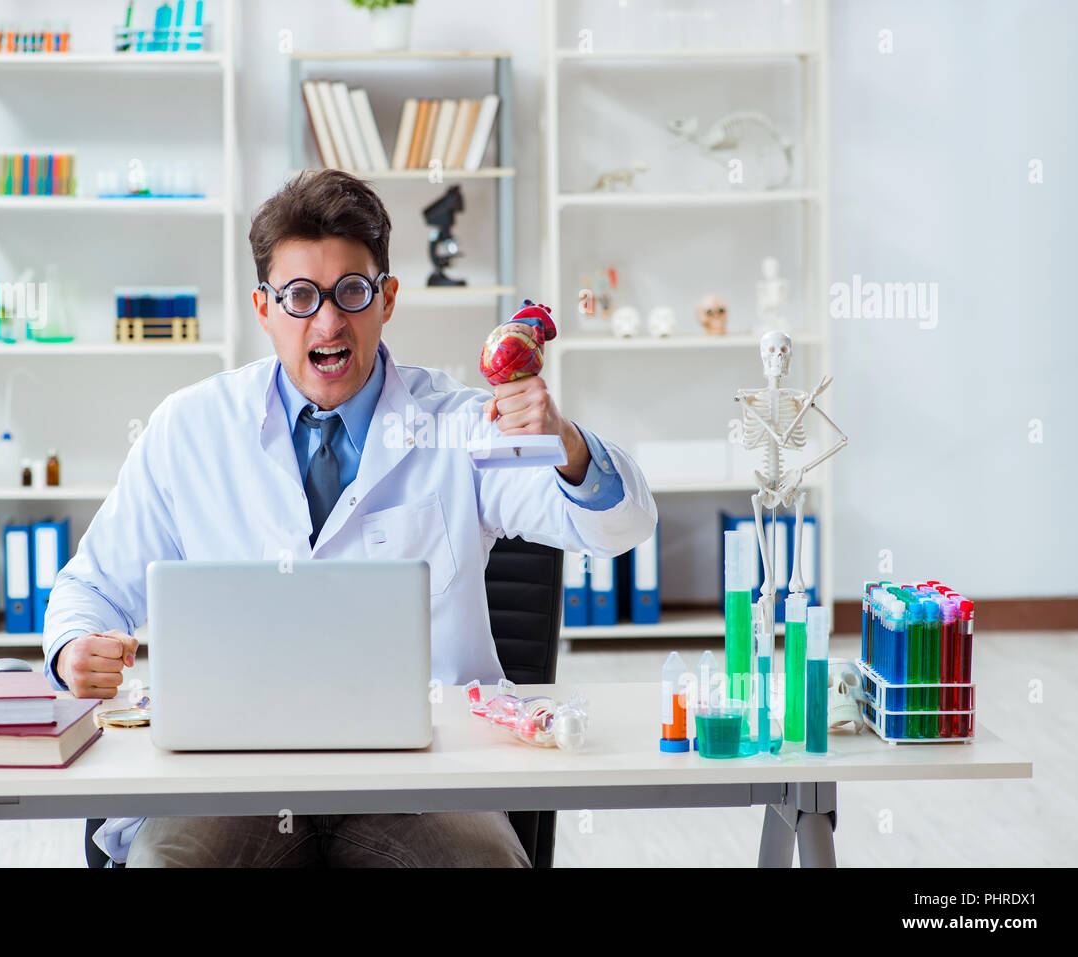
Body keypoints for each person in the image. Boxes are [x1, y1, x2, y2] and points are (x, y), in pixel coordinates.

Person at [42, 169, 657, 867]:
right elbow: (86, 588)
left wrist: (565, 443)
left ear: (387, 298)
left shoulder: (462, 426)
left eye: (352, 292)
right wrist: (73, 650)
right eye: (300, 296)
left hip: (425, 779)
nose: (328, 321)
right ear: (263, 306)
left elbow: (621, 525)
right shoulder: (189, 429)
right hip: (229, 778)